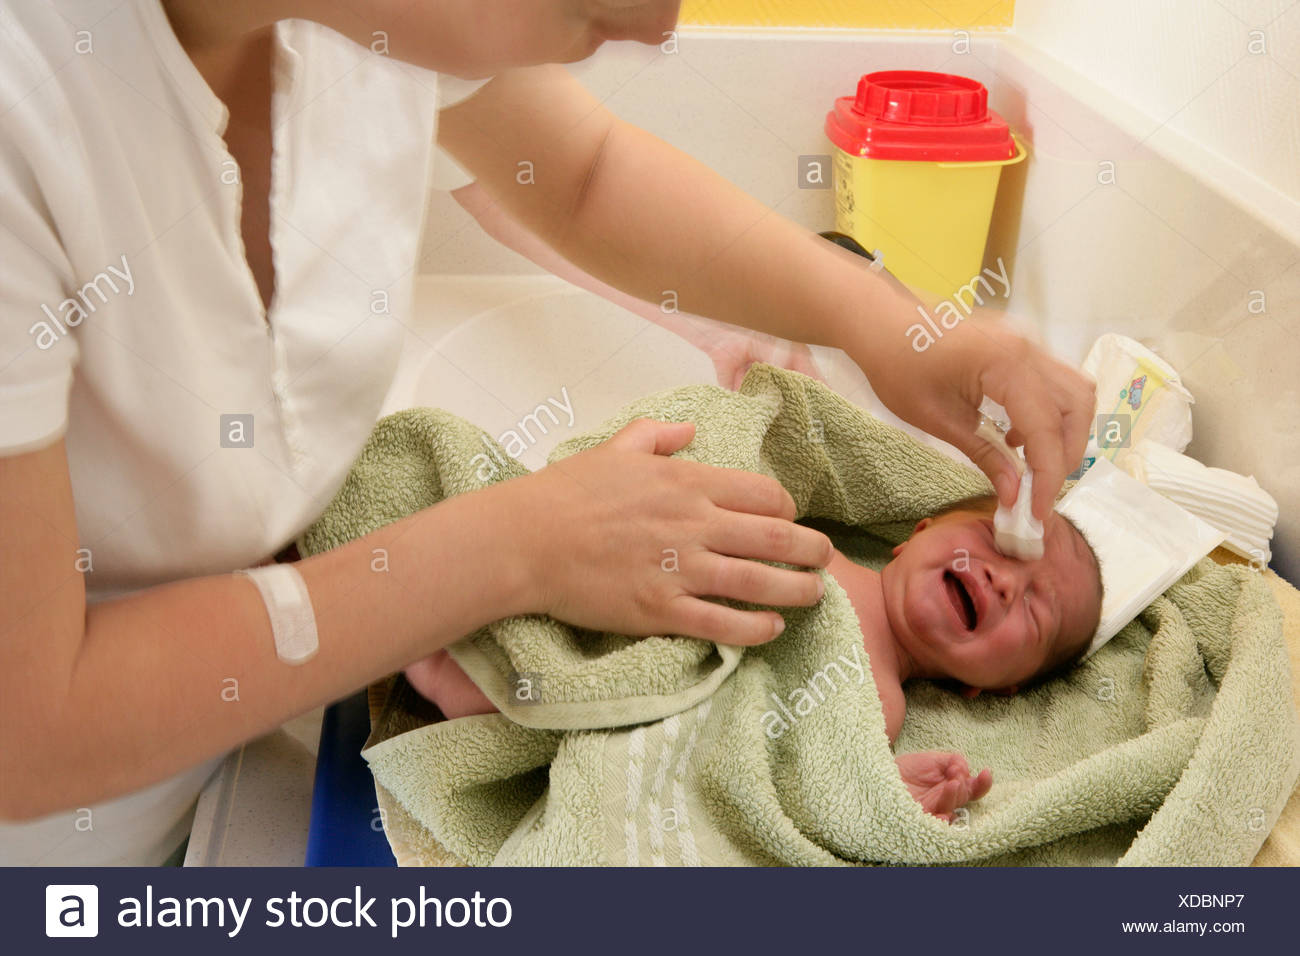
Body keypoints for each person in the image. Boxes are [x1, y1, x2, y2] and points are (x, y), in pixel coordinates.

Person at [0, 0, 1094, 864]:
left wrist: (893, 329)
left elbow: (579, 176)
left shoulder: (357, 27)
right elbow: (31, 723)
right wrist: (511, 549)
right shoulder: (29, 105)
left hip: (202, 767)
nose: (658, 26)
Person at [406, 494, 1105, 823]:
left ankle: (427, 656)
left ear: (994, 690)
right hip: (623, 604)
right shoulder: (813, 542)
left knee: (502, 700)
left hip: (639, 701)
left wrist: (887, 788)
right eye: (992, 540)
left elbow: (797, 782)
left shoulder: (880, 706)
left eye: (1036, 611)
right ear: (913, 537)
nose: (1005, 579)